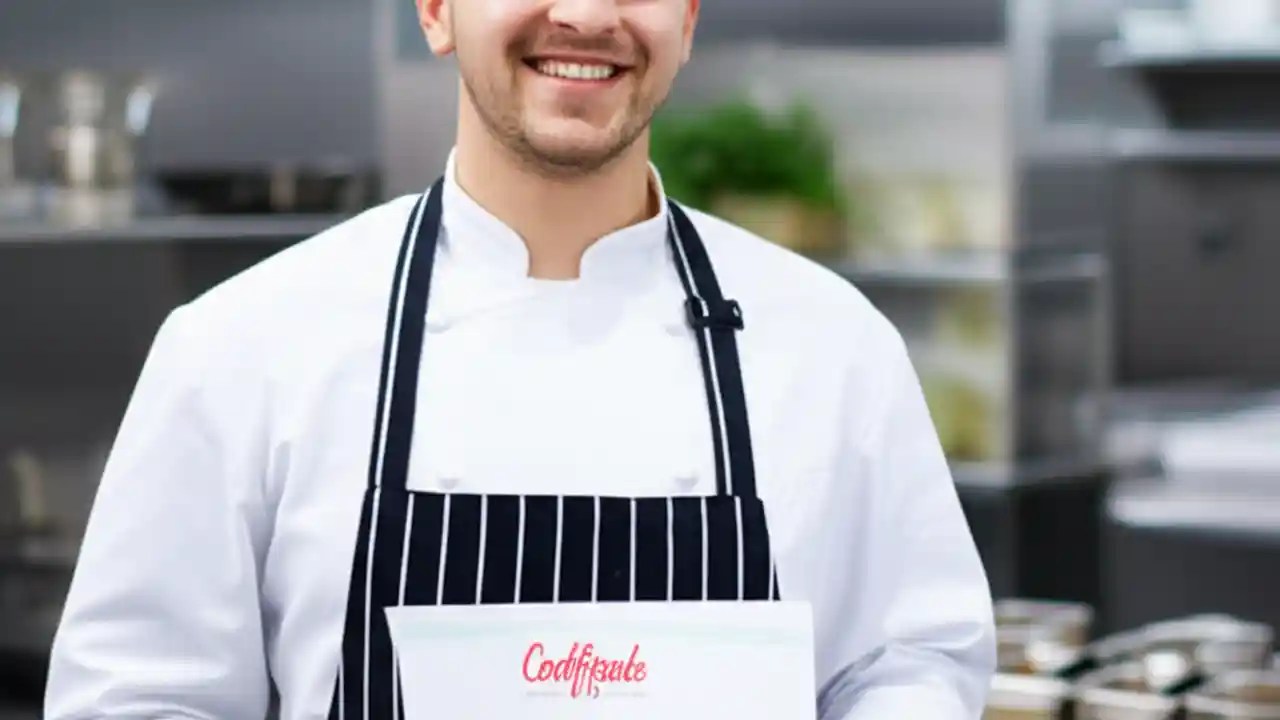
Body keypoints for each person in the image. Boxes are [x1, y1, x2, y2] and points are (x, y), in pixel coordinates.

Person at [45, 0, 996, 717]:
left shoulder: (836, 347)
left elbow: (908, 666)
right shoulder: (242, 347)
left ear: (691, 17)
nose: (585, 16)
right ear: (433, 9)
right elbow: (139, 698)